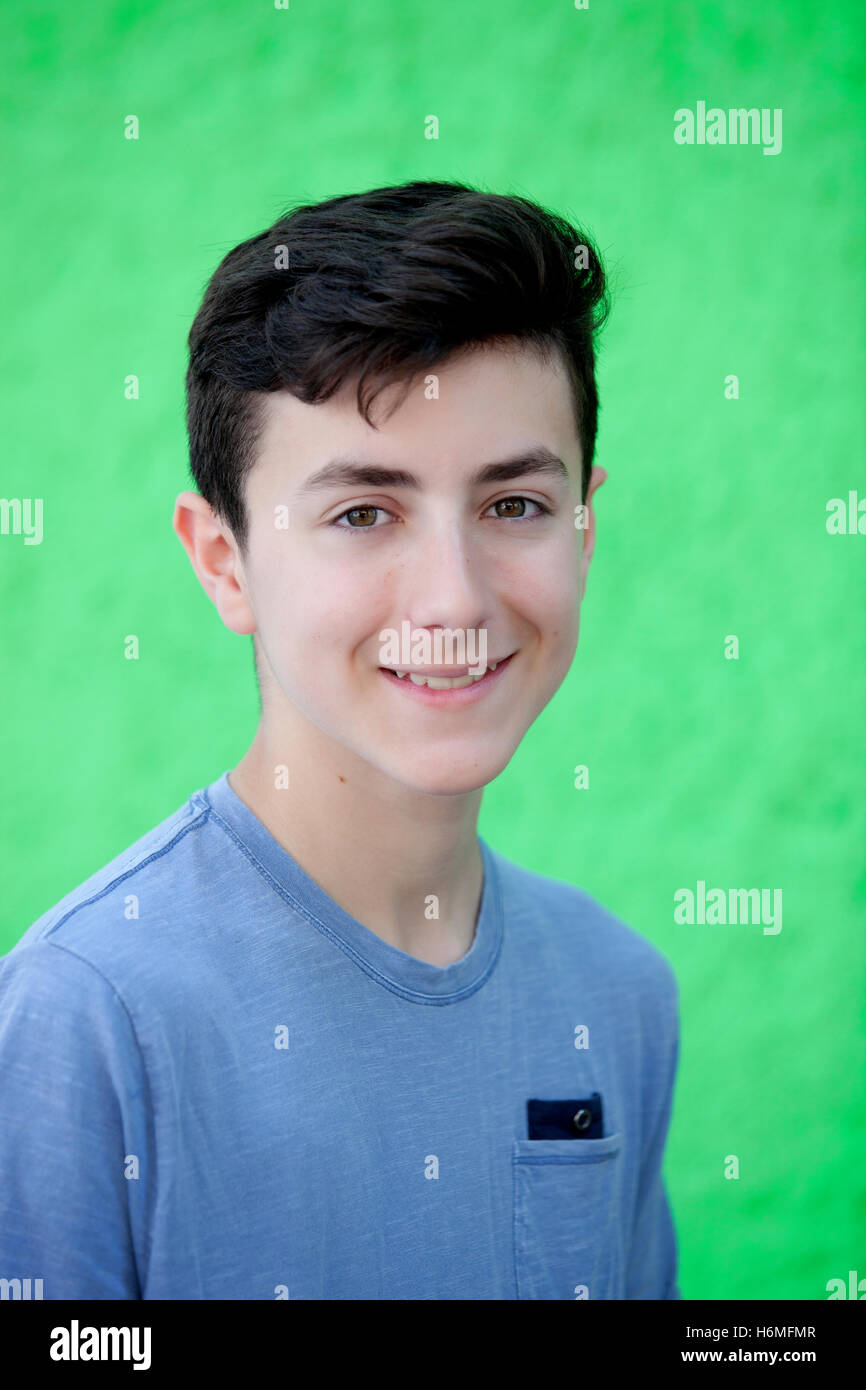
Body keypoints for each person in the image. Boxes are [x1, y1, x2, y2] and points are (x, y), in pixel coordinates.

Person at [0, 180, 680, 1299]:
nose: (453, 600)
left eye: (512, 505)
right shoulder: (87, 1014)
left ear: (583, 524)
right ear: (223, 563)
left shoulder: (617, 992)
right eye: (363, 513)